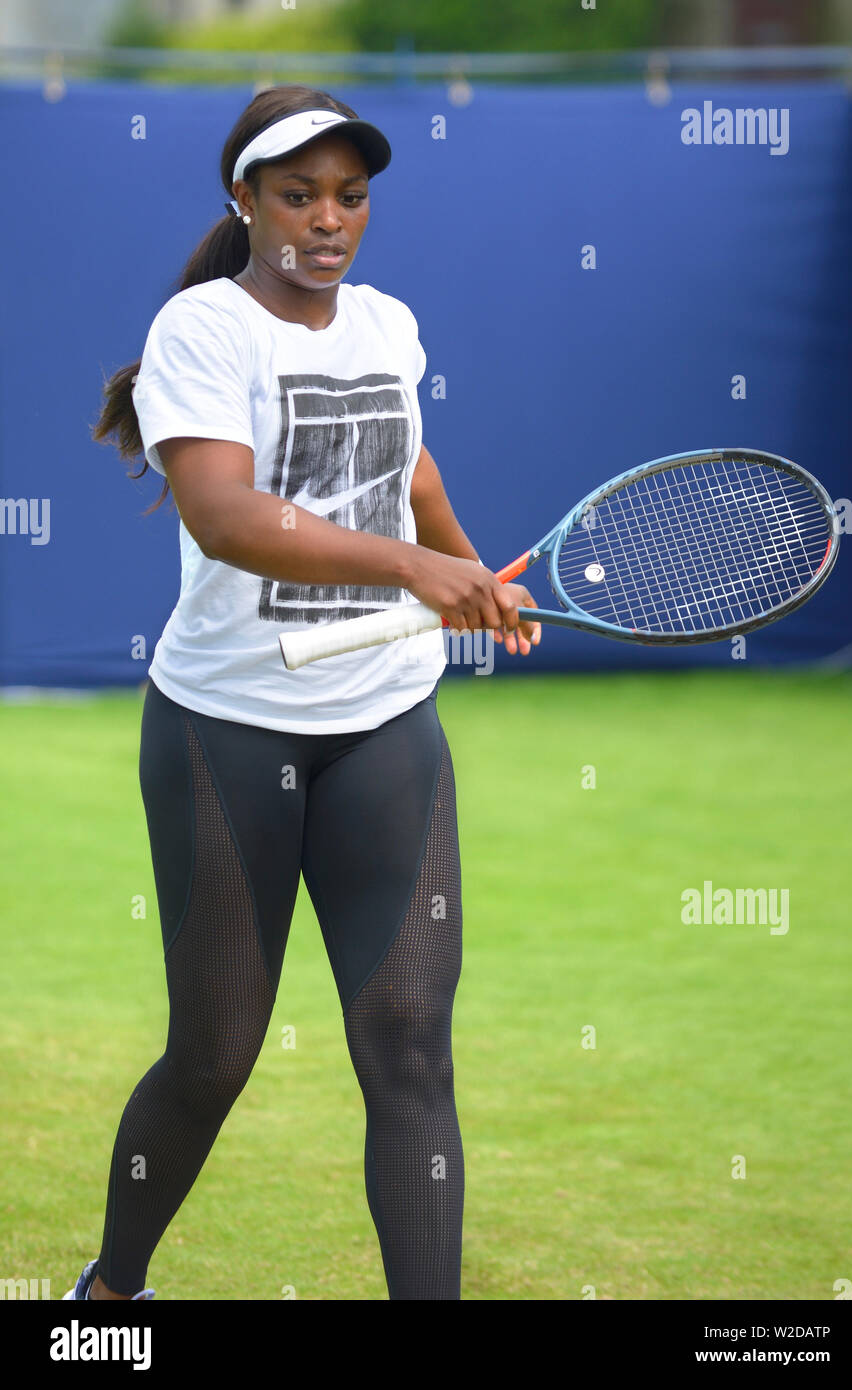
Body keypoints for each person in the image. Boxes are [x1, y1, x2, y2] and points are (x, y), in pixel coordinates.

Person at [68, 84, 539, 1303]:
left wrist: (468, 568)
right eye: (297, 195)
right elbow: (222, 516)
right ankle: (111, 1294)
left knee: (409, 1053)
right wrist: (407, 565)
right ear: (243, 200)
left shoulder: (386, 323)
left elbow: (408, 456)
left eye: (351, 196)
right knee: (215, 1052)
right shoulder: (203, 332)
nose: (327, 220)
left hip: (385, 721)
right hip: (226, 730)